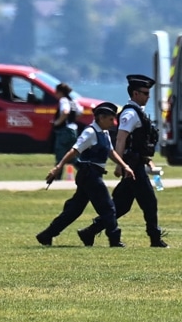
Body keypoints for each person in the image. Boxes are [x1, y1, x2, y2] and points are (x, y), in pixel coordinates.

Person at [77, 74, 167, 247]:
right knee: (149, 202)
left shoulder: (138, 113)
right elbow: (121, 138)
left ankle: (89, 232)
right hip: (131, 166)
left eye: (149, 93)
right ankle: (155, 238)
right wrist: (120, 164)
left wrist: (146, 160)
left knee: (122, 205)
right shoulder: (130, 114)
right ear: (135, 93)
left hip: (136, 163)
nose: (148, 96)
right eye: (145, 93)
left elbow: (138, 142)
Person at [36, 102, 134, 248]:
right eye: (110, 119)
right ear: (101, 118)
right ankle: (114, 240)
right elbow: (74, 151)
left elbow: (110, 152)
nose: (114, 123)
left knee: (74, 210)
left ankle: (47, 235)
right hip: (90, 175)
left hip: (92, 175)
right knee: (108, 208)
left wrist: (124, 165)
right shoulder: (90, 132)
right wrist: (58, 167)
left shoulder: (104, 132)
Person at [51, 83, 81, 166]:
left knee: (60, 157)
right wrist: (72, 119)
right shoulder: (73, 101)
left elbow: (65, 112)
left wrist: (57, 122)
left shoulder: (63, 100)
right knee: (74, 156)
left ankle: (57, 177)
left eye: (56, 91)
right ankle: (85, 173)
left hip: (64, 131)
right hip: (73, 130)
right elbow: (79, 112)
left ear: (60, 92)